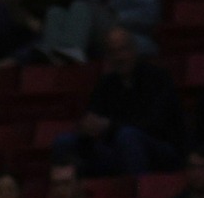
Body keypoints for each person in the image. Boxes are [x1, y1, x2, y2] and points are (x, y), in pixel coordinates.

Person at [54, 26, 181, 177]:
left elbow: (155, 124)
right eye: (113, 52)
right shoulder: (105, 84)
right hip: (114, 148)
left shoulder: (157, 78)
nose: (119, 57)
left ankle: (138, 189)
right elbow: (94, 115)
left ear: (134, 50)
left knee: (128, 136)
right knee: (64, 142)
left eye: (123, 50)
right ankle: (70, 190)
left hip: (157, 147)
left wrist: (110, 126)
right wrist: (87, 126)